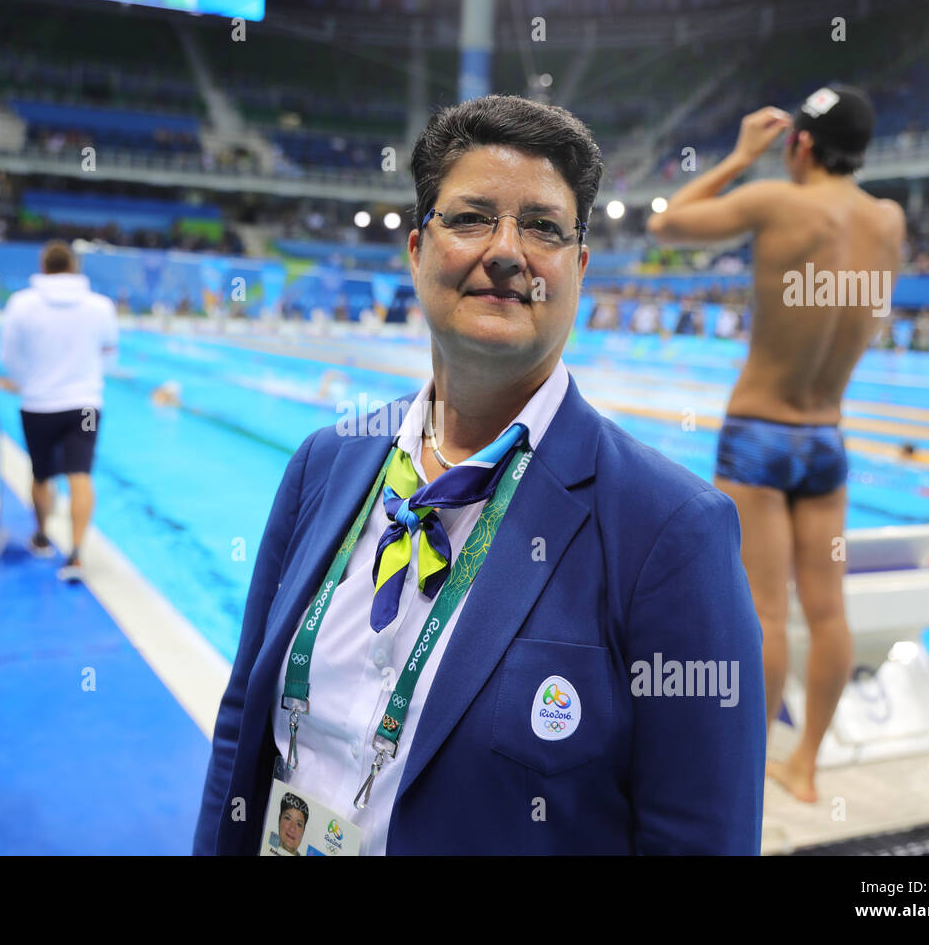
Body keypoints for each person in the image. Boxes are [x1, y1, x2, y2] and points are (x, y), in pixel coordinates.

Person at [195, 95, 765, 856]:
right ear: (416, 250)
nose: (506, 251)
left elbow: (701, 838)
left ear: (579, 267)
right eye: (470, 218)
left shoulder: (669, 531)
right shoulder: (324, 467)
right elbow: (241, 729)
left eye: (542, 227)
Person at [648, 85, 906, 803]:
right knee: (827, 613)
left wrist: (739, 157)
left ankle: (747, 774)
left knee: (763, 612)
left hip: (760, 435)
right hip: (827, 439)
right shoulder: (888, 220)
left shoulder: (778, 204)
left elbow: (666, 224)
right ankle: (807, 767)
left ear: (798, 144)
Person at [0, 241, 118, 582]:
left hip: (38, 404)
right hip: (85, 405)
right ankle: (77, 554)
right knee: (80, 475)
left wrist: (28, 380)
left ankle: (41, 535)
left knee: (41, 474)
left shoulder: (22, 304)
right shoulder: (100, 306)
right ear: (76, 267)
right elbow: (109, 357)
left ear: (42, 266)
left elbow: (8, 356)